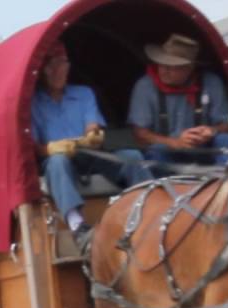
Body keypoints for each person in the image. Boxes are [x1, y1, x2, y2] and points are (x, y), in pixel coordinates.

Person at [33, 42, 152, 236]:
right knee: (57, 162)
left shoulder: (83, 93)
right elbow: (34, 147)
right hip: (61, 160)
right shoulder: (34, 103)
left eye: (61, 64)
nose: (56, 71)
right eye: (49, 66)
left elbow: (92, 125)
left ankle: (151, 208)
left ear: (68, 66)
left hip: (89, 154)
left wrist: (92, 136)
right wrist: (53, 148)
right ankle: (76, 224)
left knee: (131, 155)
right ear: (41, 72)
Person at [127, 33, 228, 167]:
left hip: (204, 151)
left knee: (225, 139)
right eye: (161, 64)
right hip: (166, 154)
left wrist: (210, 131)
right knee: (155, 151)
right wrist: (176, 143)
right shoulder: (145, 86)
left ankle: (226, 184)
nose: (164, 70)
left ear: (189, 68)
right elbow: (140, 135)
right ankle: (161, 186)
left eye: (171, 66)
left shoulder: (211, 82)